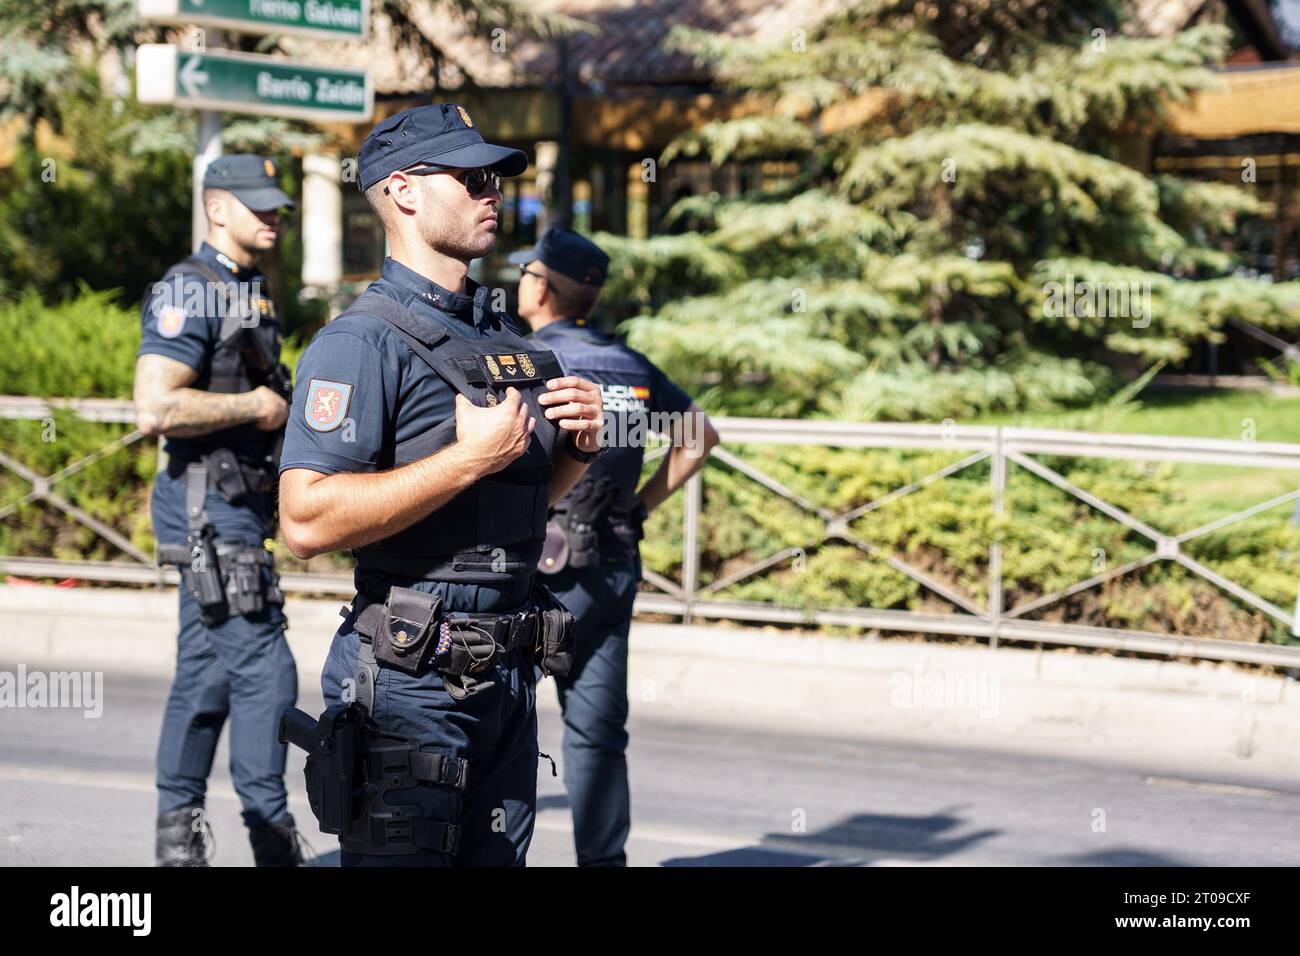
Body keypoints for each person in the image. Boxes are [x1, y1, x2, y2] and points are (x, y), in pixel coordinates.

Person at [276, 104, 605, 867]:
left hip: (508, 678)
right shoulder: (360, 341)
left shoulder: (502, 340)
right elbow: (305, 520)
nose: (494, 193)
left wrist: (578, 451)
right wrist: (466, 459)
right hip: (411, 685)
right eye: (472, 177)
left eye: (496, 178)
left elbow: (510, 510)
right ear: (403, 192)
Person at [513, 224, 720, 866]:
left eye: (527, 273)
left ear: (543, 288)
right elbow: (701, 435)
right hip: (612, 565)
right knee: (598, 735)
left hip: (539, 572)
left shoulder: (532, 359)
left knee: (501, 723)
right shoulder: (629, 364)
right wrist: (640, 506)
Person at [133, 154, 304, 866]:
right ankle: (272, 836)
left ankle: (179, 843)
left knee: (205, 676)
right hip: (208, 511)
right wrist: (256, 405)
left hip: (237, 507)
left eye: (276, 207)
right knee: (268, 671)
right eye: (256, 205)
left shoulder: (250, 290)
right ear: (216, 209)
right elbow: (156, 403)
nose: (272, 217)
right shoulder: (189, 289)